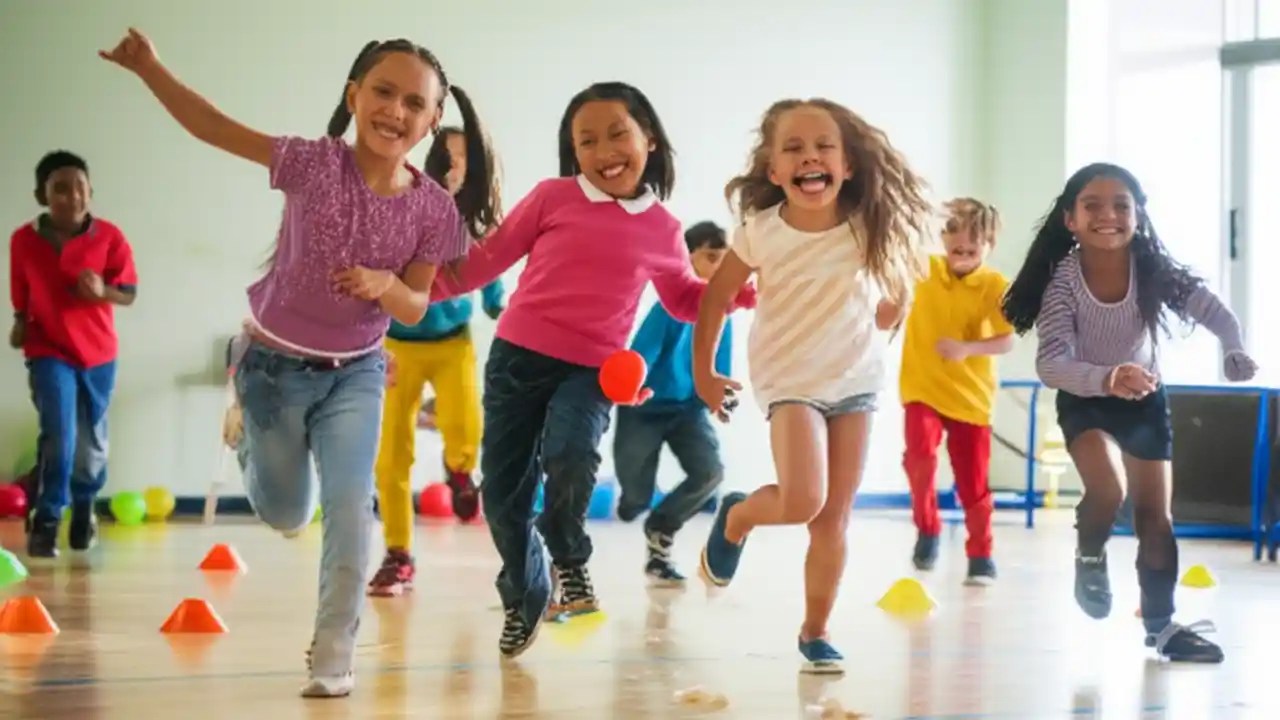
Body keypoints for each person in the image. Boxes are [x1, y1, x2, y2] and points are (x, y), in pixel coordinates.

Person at [99, 29, 498, 696]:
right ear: (353, 94)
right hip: (271, 369)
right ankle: (250, 439)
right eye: (382, 92)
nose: (394, 111)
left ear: (432, 120)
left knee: (350, 508)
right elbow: (214, 127)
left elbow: (415, 306)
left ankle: (334, 652)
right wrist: (150, 70)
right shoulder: (313, 164)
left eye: (413, 103)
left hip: (357, 374)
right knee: (287, 513)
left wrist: (385, 284)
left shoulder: (434, 209)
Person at [430, 81, 756, 658]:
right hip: (516, 361)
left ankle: (570, 561)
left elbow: (683, 297)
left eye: (617, 134)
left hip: (591, 369)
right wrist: (402, 293)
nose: (604, 150)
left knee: (572, 452)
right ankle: (525, 591)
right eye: (587, 140)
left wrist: (737, 294)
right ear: (572, 152)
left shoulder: (662, 227)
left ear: (648, 138)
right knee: (504, 494)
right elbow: (484, 263)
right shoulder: (552, 197)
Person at [692, 98, 931, 675]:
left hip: (856, 382)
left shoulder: (867, 226)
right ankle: (738, 517)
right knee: (804, 500)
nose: (810, 158)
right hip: (790, 380)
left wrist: (893, 310)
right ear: (774, 171)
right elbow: (716, 299)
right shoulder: (760, 231)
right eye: (793, 149)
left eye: (823, 146)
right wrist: (705, 372)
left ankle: (816, 631)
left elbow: (898, 291)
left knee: (833, 519)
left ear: (847, 164)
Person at [1001, 162, 1256, 663]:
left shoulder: (1154, 272)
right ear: (1070, 220)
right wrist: (1107, 377)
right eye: (1092, 205)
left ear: (1138, 215)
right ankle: (1090, 553)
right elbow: (1052, 363)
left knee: (1155, 517)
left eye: (1121, 205)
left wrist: (1233, 348)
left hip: (1143, 399)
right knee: (1107, 489)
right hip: (1086, 396)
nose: (1108, 215)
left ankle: (1161, 627)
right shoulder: (1064, 282)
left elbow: (1213, 311)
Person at [368, 127, 505, 598]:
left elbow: (488, 264)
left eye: (466, 158)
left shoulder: (475, 218)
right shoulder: (404, 203)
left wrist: (497, 303)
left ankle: (460, 472)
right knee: (392, 455)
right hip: (396, 345)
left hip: (453, 342)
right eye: (448, 158)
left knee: (465, 426)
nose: (456, 168)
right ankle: (398, 554)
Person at [9, 150, 137, 558]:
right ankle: (46, 519)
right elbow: (20, 292)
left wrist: (103, 292)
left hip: (98, 354)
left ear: (91, 191)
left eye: (79, 187)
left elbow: (129, 293)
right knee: (60, 434)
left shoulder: (110, 237)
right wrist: (18, 322)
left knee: (90, 442)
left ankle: (84, 511)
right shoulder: (24, 241)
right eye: (60, 189)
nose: (72, 196)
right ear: (41, 195)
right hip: (48, 349)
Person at [613, 220, 733, 587]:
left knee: (710, 471)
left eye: (725, 260)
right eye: (711, 257)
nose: (720, 267)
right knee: (636, 493)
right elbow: (641, 353)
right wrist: (624, 386)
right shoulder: (668, 309)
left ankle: (661, 531)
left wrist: (718, 398)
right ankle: (636, 502)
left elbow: (719, 365)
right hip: (644, 407)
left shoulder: (722, 311)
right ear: (687, 258)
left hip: (686, 410)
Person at [899, 198, 1012, 583]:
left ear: (989, 247)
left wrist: (967, 349)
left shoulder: (996, 285)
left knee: (972, 483)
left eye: (971, 251)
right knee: (918, 457)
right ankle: (927, 527)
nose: (962, 257)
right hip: (922, 387)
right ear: (944, 242)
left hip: (971, 397)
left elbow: (1005, 341)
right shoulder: (923, 270)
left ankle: (981, 553)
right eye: (955, 250)